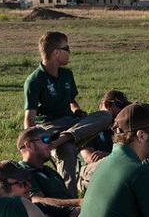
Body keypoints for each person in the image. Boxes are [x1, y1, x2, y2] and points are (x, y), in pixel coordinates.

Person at [22, 31, 113, 192]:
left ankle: (61, 141)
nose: (70, 52)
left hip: (70, 123)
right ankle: (68, 199)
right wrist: (33, 143)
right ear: (56, 53)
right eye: (67, 48)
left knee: (106, 115)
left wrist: (78, 110)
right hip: (49, 127)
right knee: (67, 150)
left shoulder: (67, 75)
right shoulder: (34, 80)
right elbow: (29, 119)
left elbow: (72, 102)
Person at [14, 126, 82, 217]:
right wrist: (78, 203)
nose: (50, 145)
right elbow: (36, 200)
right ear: (29, 145)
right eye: (45, 140)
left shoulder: (50, 172)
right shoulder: (22, 173)